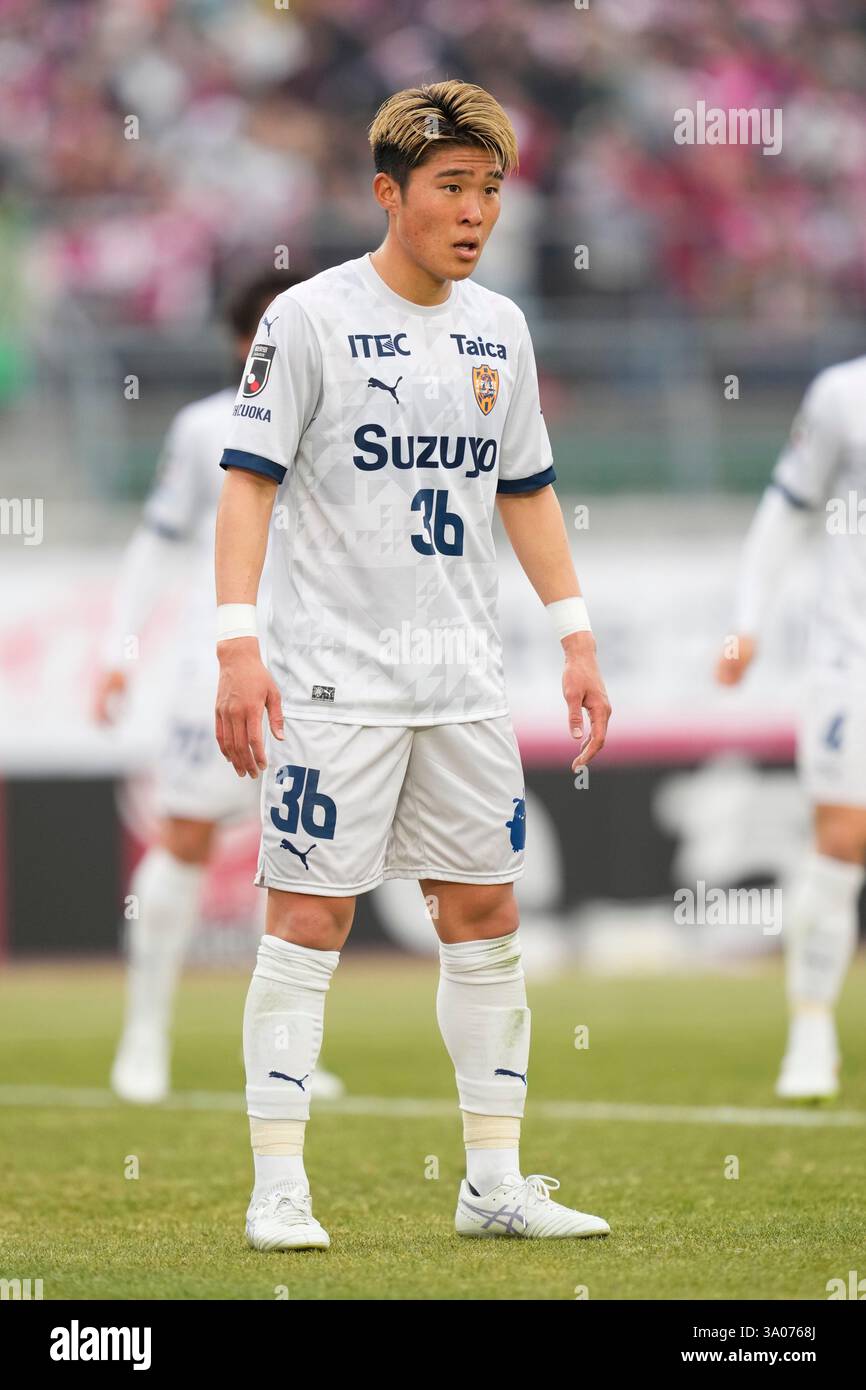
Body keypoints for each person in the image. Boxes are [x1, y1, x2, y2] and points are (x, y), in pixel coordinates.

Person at [214, 80, 612, 1251]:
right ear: (387, 193)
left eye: (489, 189)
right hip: (332, 678)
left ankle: (492, 1181)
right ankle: (277, 1188)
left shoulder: (501, 328)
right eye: (450, 187)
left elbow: (525, 492)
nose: (475, 211)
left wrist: (575, 634)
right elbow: (249, 484)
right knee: (308, 919)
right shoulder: (307, 318)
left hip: (462, 683)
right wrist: (235, 643)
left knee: (484, 912)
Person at [94, 271, 345, 1106]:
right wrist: (119, 651)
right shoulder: (205, 428)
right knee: (187, 836)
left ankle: (288, 1054)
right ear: (248, 342)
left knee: (308, 859)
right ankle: (144, 1036)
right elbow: (156, 542)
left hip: (321, 670)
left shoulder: (347, 414)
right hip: (222, 665)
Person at [717, 356, 866, 1099]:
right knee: (842, 838)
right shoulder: (844, 395)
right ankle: (811, 1030)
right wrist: (749, 621)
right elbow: (786, 508)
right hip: (852, 656)